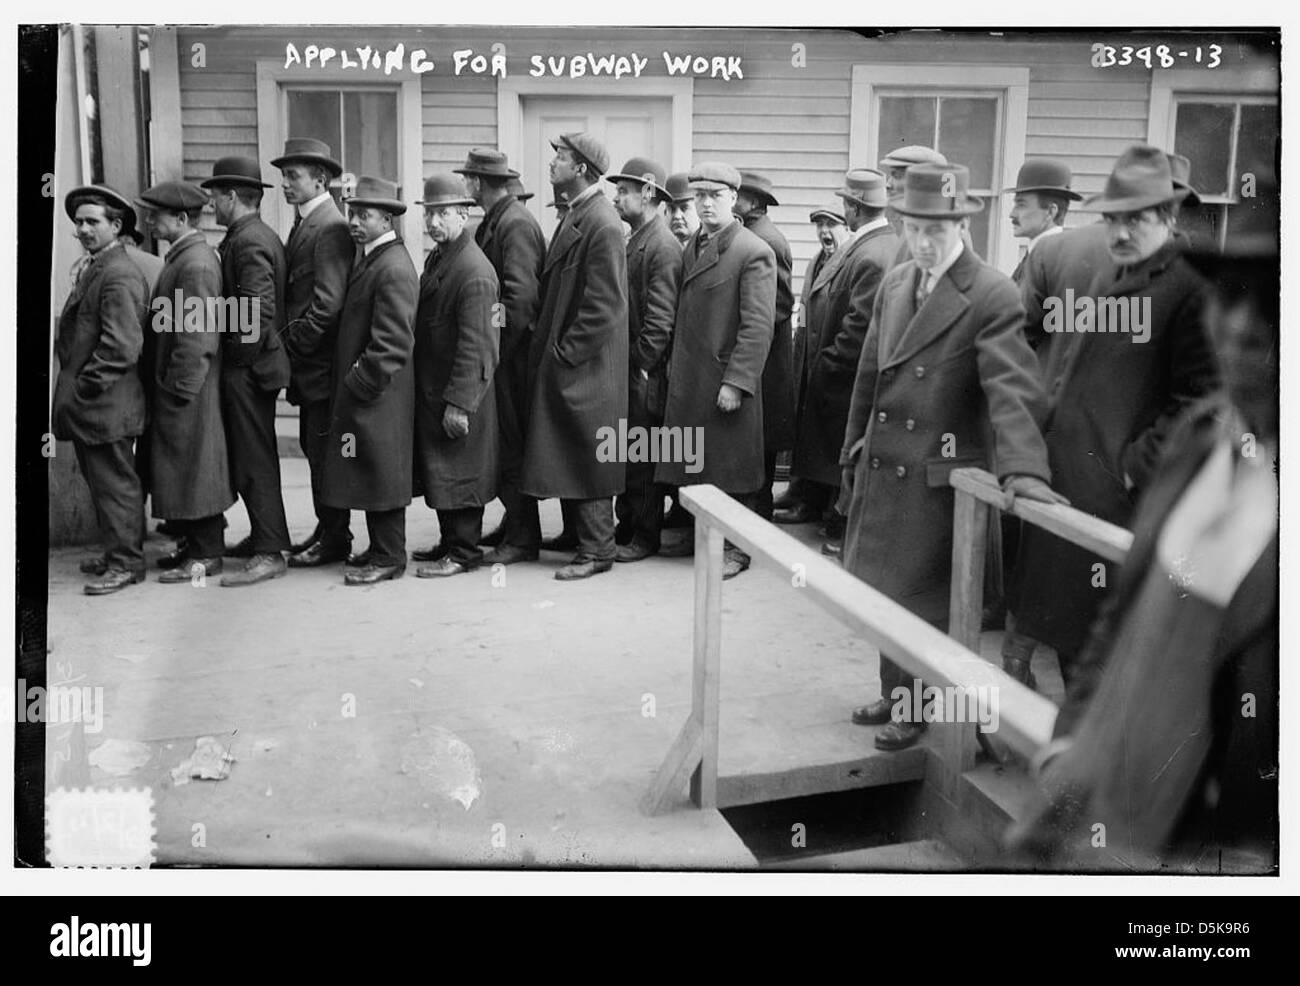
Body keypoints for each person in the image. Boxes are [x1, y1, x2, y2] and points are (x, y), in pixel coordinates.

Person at [1010, 182, 1278, 868]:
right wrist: (1069, 746)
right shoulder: (1200, 437)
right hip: (1114, 798)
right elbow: (1124, 612)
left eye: (1274, 302)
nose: (1242, 326)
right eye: (1231, 295)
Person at [839, 163, 1059, 751]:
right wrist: (852, 447)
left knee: (924, 601)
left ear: (962, 224)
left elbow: (1012, 392)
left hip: (938, 478)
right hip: (885, 465)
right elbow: (870, 372)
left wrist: (1023, 472)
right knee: (884, 593)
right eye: (914, 227)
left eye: (938, 228)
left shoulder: (990, 291)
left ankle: (917, 705)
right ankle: (895, 689)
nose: (924, 240)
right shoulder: (897, 280)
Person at [1003, 145, 1219, 688]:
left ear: (1168, 217)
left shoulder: (1192, 288)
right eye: (1112, 219)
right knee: (1077, 649)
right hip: (1075, 494)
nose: (1119, 233)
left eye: (1136, 219)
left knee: (1109, 663)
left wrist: (1129, 470)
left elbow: (1202, 405)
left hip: (1124, 508)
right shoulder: (1122, 275)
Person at [497, 132, 628, 581]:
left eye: (562, 157)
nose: (553, 163)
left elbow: (605, 306)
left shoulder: (602, 223)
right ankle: (581, 538)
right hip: (572, 364)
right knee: (572, 450)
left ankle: (597, 549)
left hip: (586, 367)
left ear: (582, 170)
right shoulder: (581, 214)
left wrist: (564, 354)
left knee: (587, 452)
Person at [654, 162, 777, 580]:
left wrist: (737, 383)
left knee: (732, 471)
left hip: (723, 380)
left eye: (716, 196)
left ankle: (738, 550)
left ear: (733, 200)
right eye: (700, 196)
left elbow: (758, 326)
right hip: (691, 378)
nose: (706, 204)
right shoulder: (693, 245)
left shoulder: (752, 251)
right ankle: (701, 535)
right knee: (698, 464)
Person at [783, 170, 899, 560]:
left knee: (847, 455)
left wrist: (826, 364)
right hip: (841, 376)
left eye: (843, 206)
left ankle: (842, 524)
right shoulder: (869, 246)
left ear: (853, 207)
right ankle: (830, 514)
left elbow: (859, 327)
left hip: (847, 379)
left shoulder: (872, 253)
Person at [320, 176, 419, 586]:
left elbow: (393, 342)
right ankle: (380, 549)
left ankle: (390, 555)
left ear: (388, 220)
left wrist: (360, 382)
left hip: (380, 392)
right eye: (352, 213)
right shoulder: (375, 258)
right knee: (370, 469)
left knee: (383, 472)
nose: (354, 222)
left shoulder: (393, 266)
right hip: (371, 391)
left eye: (364, 215)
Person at [135, 180, 235, 583]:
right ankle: (196, 543)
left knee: (195, 468)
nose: (149, 221)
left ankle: (207, 553)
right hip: (181, 383)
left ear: (181, 219)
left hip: (186, 386)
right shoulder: (185, 257)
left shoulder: (194, 263)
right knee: (188, 468)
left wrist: (178, 388)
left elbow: (198, 336)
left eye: (156, 215)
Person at [200, 156, 293, 587]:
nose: (211, 204)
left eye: (215, 196)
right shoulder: (247, 235)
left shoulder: (249, 240)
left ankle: (270, 551)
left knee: (255, 459)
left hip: (250, 370)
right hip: (252, 366)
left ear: (232, 197)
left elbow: (257, 309)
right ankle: (263, 536)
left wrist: (236, 359)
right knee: (253, 456)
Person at [52, 185, 150, 595]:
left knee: (116, 486)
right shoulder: (98, 266)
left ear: (117, 226)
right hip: (98, 405)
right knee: (104, 485)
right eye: (80, 222)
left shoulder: (119, 274)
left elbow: (122, 346)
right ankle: (116, 554)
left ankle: (127, 562)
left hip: (107, 404)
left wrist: (84, 389)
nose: (84, 229)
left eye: (94, 222)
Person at [453, 149, 545, 556]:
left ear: (476, 182)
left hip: (514, 358)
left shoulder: (514, 224)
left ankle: (523, 538)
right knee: (506, 443)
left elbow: (520, 300)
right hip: (506, 354)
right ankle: (515, 525)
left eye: (468, 178)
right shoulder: (499, 220)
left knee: (512, 445)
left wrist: (495, 344)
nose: (465, 185)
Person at [411, 174, 501, 577]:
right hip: (437, 388)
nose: (433, 222)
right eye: (429, 213)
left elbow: (480, 346)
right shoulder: (442, 257)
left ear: (463, 214)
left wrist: (461, 404)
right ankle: (451, 543)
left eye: (442, 213)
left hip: (462, 394)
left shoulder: (474, 270)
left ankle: (464, 552)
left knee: (462, 474)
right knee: (445, 472)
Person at [271, 138, 355, 567]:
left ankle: (337, 537)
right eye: (284, 176)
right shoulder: (307, 222)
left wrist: (289, 347)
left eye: (293, 176)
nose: (285, 184)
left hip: (321, 369)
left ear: (319, 179)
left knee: (324, 454)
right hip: (311, 369)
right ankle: (328, 528)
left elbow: (327, 304)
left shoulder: (329, 226)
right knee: (314, 448)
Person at [606, 157, 682, 562]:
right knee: (629, 454)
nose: (617, 198)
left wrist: (637, 363)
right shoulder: (636, 238)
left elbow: (659, 322)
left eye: (624, 191)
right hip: (633, 370)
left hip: (647, 374)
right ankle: (629, 522)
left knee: (644, 455)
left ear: (648, 193)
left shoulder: (662, 246)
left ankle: (645, 534)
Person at [1006, 158, 1081, 285]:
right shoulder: (1035, 255)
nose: (1012, 214)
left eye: (1021, 205)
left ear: (1051, 212)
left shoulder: (1057, 264)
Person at [664, 172, 700, 246]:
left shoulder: (710, 250)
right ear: (665, 213)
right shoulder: (658, 249)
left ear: (699, 212)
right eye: (672, 209)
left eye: (684, 208)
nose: (677, 216)